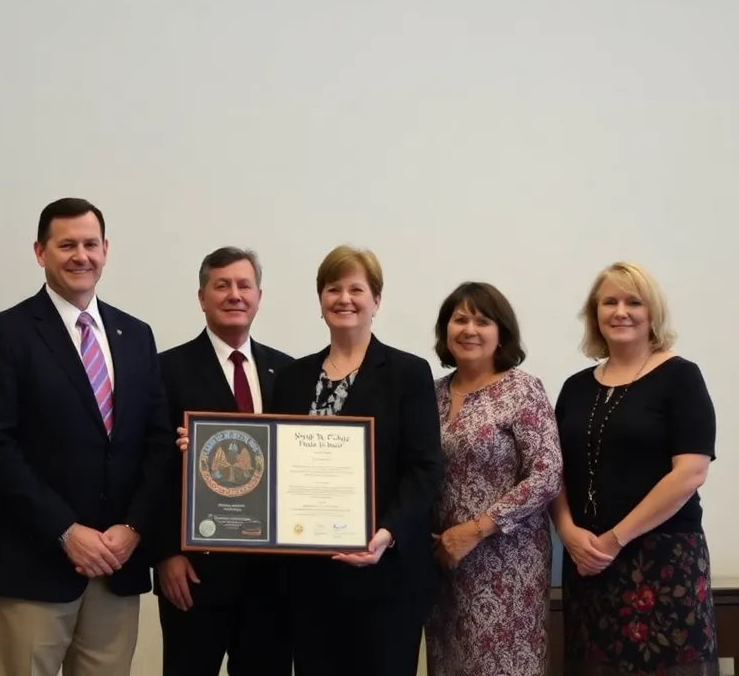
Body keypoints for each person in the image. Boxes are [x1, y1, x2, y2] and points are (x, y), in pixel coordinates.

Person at [0, 197, 175, 676]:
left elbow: (160, 443)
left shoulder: (136, 334)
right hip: (34, 562)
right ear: (40, 252)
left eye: (90, 244)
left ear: (106, 249)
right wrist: (65, 530)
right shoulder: (6, 333)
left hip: (118, 564)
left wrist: (134, 529)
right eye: (66, 245)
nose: (80, 255)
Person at [271, 245, 443, 676]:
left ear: (376, 301)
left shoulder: (408, 373)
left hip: (385, 572)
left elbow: (424, 469)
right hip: (309, 579)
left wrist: (387, 533)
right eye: (333, 289)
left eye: (356, 289)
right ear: (320, 301)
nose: (344, 299)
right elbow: (278, 465)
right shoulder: (293, 377)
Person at [552, 262, 718, 675]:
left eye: (633, 301)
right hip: (587, 562)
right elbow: (551, 470)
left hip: (662, 559)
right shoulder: (575, 387)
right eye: (609, 301)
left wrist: (615, 539)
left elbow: (691, 472)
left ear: (652, 313)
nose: (620, 311)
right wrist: (568, 532)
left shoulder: (681, 377)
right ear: (595, 314)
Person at [153, 247, 294, 676]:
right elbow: (151, 467)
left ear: (258, 296)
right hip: (195, 572)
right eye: (222, 285)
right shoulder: (164, 370)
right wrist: (164, 555)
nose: (235, 294)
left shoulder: (287, 373)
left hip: (271, 578)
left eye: (244, 285)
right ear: (201, 297)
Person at [423, 282, 563, 676]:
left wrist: (476, 530)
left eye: (482, 321)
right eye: (459, 319)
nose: (469, 329)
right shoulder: (430, 393)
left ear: (501, 332)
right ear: (445, 330)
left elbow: (547, 475)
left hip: (507, 567)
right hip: (443, 564)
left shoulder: (522, 389)